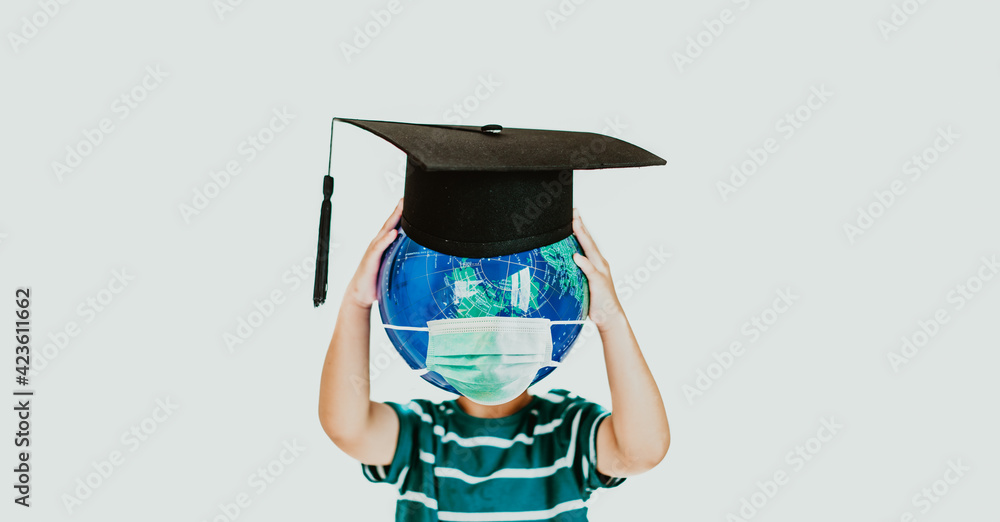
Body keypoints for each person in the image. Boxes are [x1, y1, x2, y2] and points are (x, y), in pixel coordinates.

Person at [318, 199, 670, 521]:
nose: (491, 337)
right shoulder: (423, 434)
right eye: (474, 318)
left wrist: (612, 318)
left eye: (505, 318)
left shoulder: (566, 432)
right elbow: (346, 427)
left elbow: (642, 451)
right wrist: (357, 301)